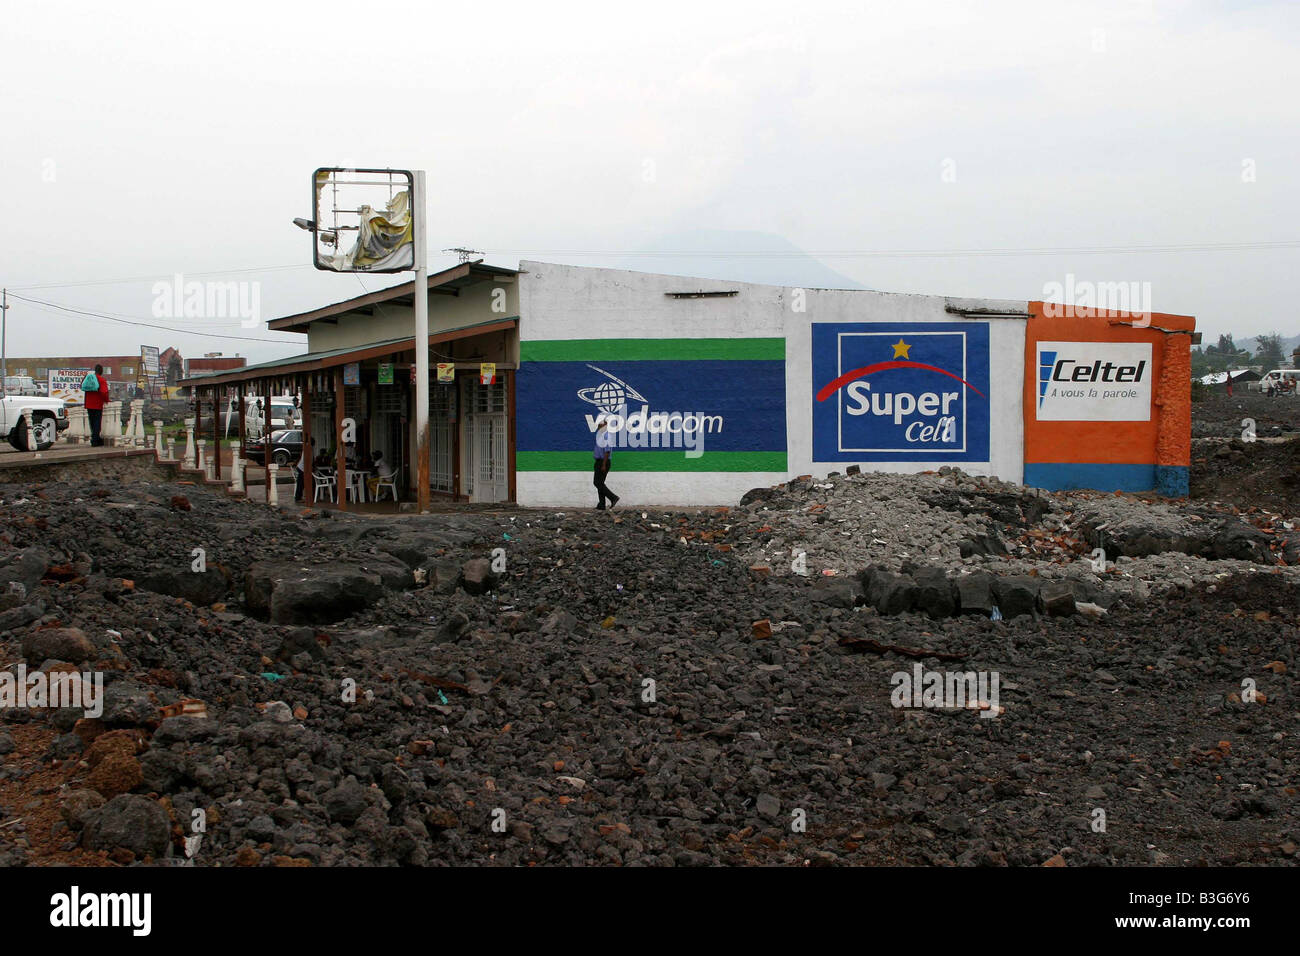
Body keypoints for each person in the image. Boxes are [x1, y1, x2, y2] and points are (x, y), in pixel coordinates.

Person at [593, 421, 619, 510]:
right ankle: (602, 505)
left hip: (603, 462)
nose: (599, 427)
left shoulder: (606, 436)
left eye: (601, 426)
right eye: (599, 426)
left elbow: (607, 451)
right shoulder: (600, 436)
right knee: (600, 483)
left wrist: (603, 464)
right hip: (599, 461)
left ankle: (613, 497)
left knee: (597, 482)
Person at [83, 364, 109, 446]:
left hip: (88, 403)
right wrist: (106, 400)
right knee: (97, 422)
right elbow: (104, 392)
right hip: (97, 404)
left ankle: (95, 438)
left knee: (92, 422)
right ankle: (95, 440)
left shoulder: (89, 378)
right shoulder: (101, 380)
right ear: (101, 371)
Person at [294, 438, 313, 502]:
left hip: (302, 467)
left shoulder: (307, 448)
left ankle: (300, 497)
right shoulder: (308, 448)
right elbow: (306, 460)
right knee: (300, 484)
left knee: (301, 483)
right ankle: (298, 498)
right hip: (302, 468)